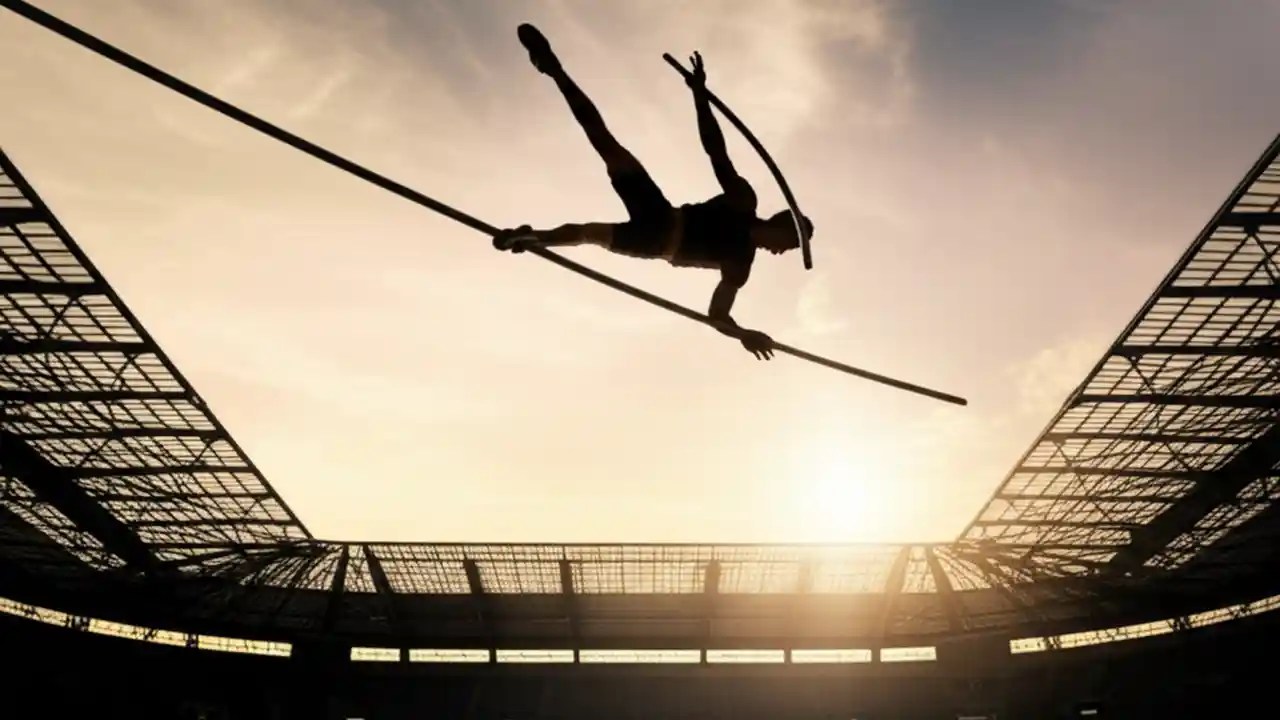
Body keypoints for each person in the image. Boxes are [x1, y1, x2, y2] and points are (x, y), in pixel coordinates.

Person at [494, 24, 814, 361]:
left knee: (590, 232)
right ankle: (554, 69)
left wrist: (742, 334)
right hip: (660, 214)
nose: (780, 252)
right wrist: (699, 95)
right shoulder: (743, 200)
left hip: (655, 243)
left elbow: (717, 315)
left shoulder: (741, 265)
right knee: (608, 145)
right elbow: (715, 150)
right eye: (788, 244)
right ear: (781, 224)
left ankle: (530, 239)